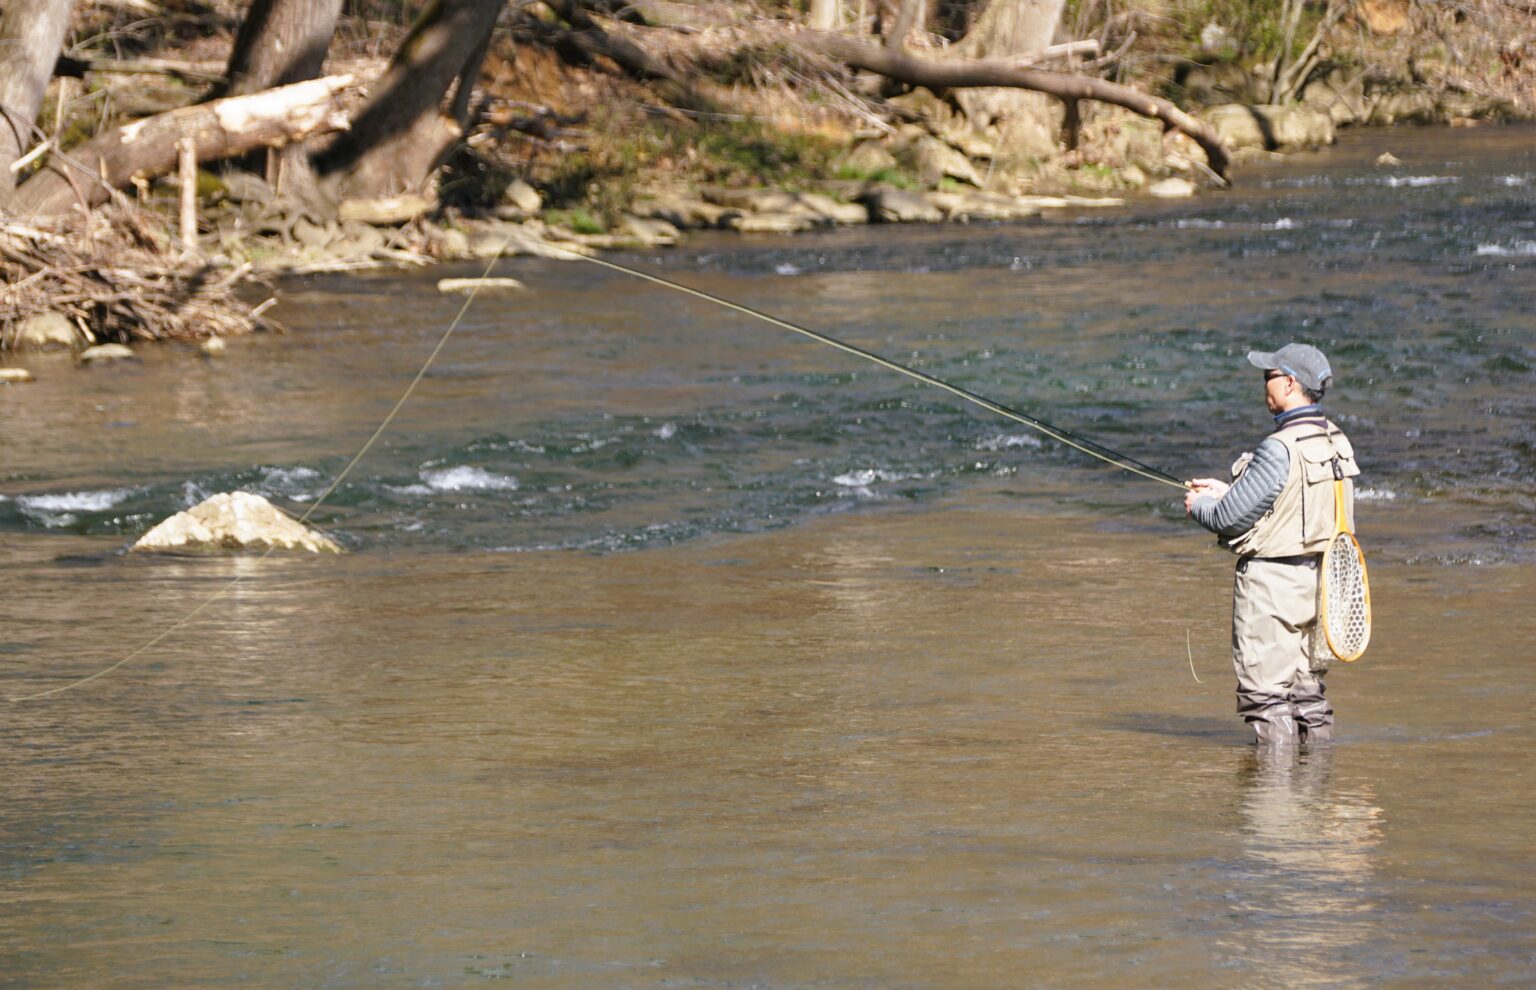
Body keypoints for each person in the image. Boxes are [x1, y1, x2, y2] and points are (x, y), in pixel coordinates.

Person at [1184, 343, 1360, 745]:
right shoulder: (1335, 440)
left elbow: (1228, 519)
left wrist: (1200, 506)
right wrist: (1230, 490)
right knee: (1308, 696)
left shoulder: (1278, 447)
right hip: (1322, 585)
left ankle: (1272, 785)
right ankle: (1316, 778)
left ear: (1290, 384)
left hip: (1273, 589)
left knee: (1265, 698)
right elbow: (1295, 502)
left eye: (1269, 376)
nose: (1264, 384)